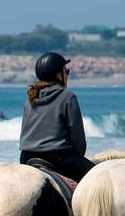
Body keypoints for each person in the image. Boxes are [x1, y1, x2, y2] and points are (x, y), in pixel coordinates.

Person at [19, 51, 94, 181]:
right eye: (66, 71)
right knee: (99, 177)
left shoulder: (30, 100)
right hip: (59, 159)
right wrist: (78, 158)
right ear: (58, 75)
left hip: (26, 157)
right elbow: (78, 139)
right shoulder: (68, 97)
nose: (67, 74)